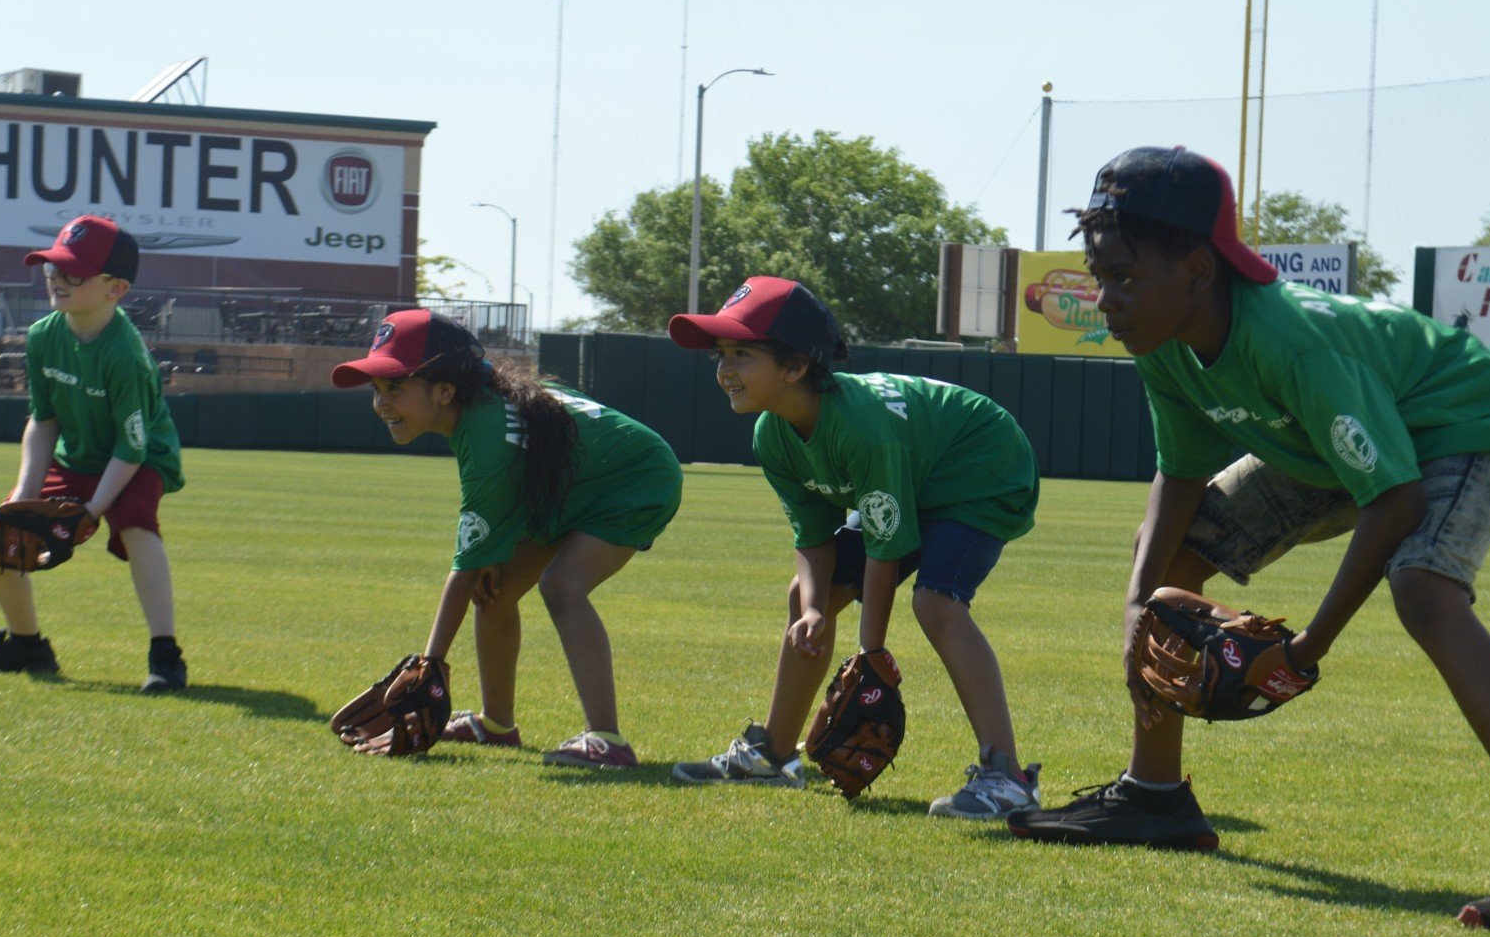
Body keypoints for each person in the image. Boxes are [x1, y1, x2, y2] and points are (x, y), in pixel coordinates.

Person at [1008, 146, 1490, 931]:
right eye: (1099, 276)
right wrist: (1138, 601)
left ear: (1197, 270)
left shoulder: (1290, 340)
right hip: (1325, 436)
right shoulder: (1163, 341)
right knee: (1167, 558)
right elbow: (1180, 474)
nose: (1105, 300)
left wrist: (1304, 653)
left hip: (1451, 421)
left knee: (1424, 592)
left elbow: (1395, 497)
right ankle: (1155, 794)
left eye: (1123, 277)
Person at [666, 277, 1042, 819]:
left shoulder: (861, 429)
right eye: (721, 355)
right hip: (916, 470)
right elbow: (813, 540)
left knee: (936, 603)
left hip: (982, 467)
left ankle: (1007, 776)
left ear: (795, 367)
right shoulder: (771, 435)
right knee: (803, 595)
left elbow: (886, 549)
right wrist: (817, 608)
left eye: (742, 354)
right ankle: (772, 755)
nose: (724, 369)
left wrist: (871, 656)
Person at [330, 309, 683, 769]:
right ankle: (497, 724)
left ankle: (607, 740)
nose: (381, 402)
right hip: (567, 486)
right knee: (492, 593)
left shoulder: (486, 434)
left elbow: (462, 569)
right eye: (376, 389)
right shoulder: (477, 414)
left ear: (444, 390)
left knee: (562, 585)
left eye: (395, 386)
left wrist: (429, 666)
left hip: (635, 479)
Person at [0, 216, 188, 693]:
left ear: (115, 288)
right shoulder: (43, 336)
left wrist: (91, 512)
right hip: (76, 453)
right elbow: (43, 420)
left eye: (74, 273)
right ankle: (27, 645)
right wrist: (23, 494)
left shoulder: (126, 354)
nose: (58, 280)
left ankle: (166, 655)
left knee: (137, 525)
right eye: (53, 269)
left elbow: (132, 445)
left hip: (138, 458)